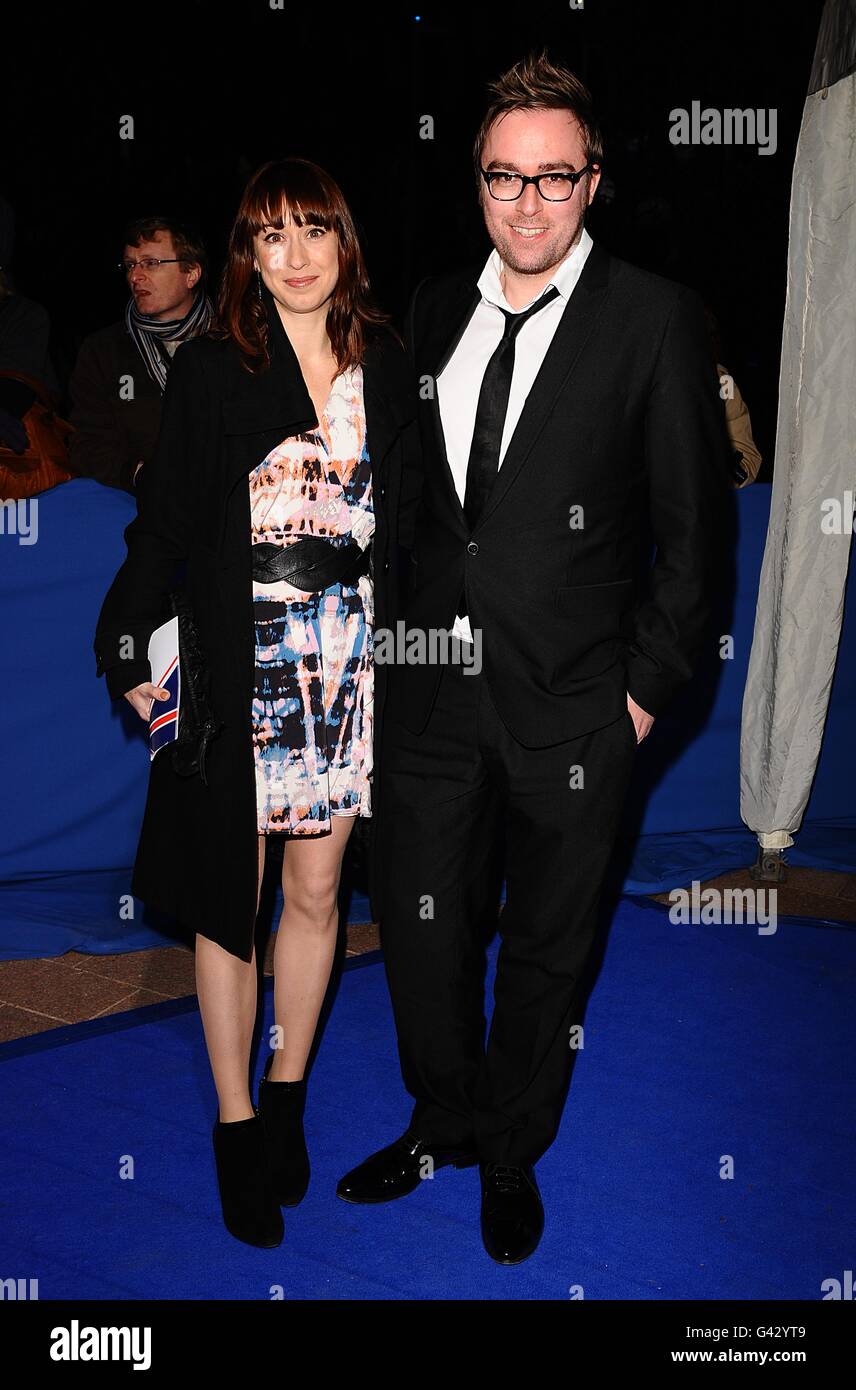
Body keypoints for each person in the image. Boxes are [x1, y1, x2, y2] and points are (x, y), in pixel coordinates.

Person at [337, 52, 733, 1264]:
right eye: (503, 177)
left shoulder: (655, 319)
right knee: (423, 932)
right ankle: (440, 1118)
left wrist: (635, 702)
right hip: (430, 701)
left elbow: (694, 541)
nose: (525, 204)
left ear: (593, 181)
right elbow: (417, 511)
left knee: (552, 946)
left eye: (552, 178)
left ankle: (511, 1147)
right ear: (476, 181)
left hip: (574, 710)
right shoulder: (437, 306)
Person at [93, 158, 419, 1248]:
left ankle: (288, 1093)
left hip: (347, 664)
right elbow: (165, 532)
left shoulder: (390, 366)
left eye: (312, 228)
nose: (293, 254)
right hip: (243, 663)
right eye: (269, 235)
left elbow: (421, 536)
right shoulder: (214, 374)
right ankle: (236, 1126)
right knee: (235, 900)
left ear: (344, 241)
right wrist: (126, 638)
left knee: (321, 894)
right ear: (245, 254)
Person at [68, 216, 212, 492]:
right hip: (140, 509)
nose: (135, 276)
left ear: (191, 273)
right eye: (131, 265)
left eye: (151, 263)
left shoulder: (233, 341)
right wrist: (138, 475)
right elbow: (86, 444)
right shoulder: (103, 351)